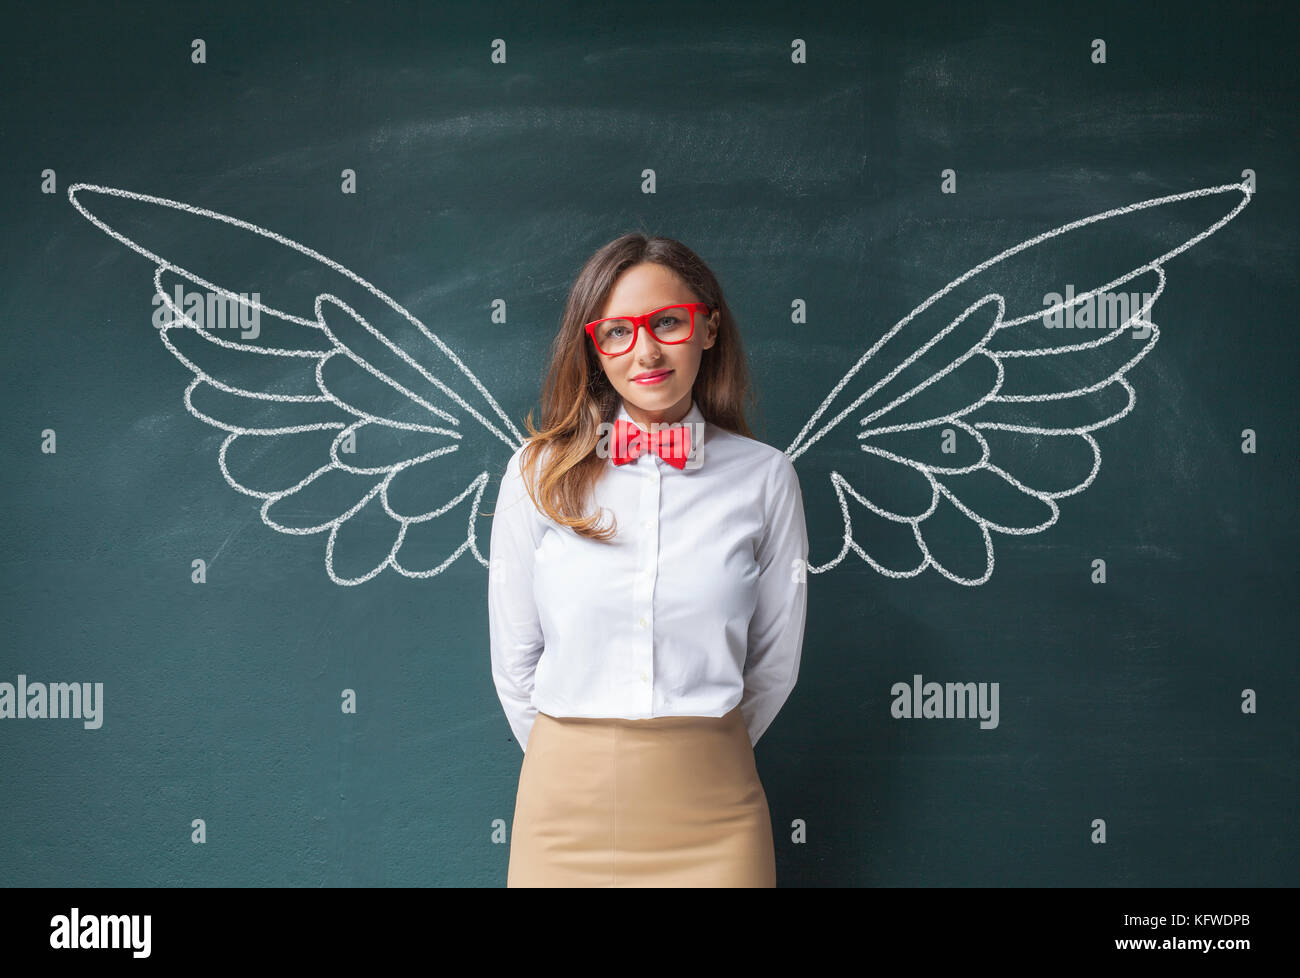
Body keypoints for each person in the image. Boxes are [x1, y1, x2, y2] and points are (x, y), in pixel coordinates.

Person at [486, 232, 809, 887]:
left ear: (708, 328)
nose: (647, 351)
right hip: (564, 817)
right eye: (617, 333)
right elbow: (515, 663)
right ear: (594, 348)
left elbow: (774, 663)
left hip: (715, 814)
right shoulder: (534, 474)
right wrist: (575, 759)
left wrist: (699, 750)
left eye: (668, 322)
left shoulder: (767, 478)